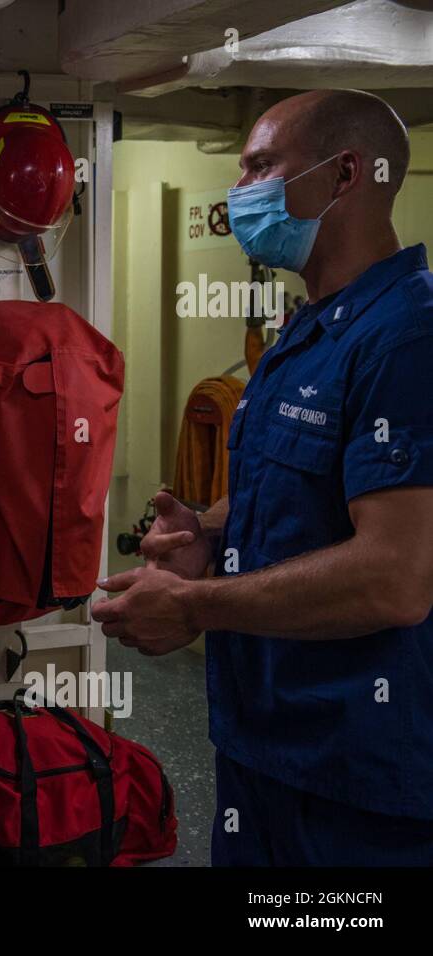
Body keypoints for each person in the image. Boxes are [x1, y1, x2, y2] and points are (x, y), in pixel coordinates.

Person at [92, 89, 433, 865]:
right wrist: (209, 532)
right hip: (266, 744)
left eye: (259, 167)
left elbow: (395, 577)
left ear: (344, 174)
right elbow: (306, 499)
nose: (239, 191)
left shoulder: (408, 337)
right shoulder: (308, 326)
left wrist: (193, 607)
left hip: (358, 774)